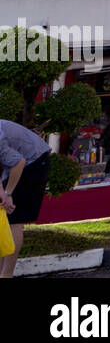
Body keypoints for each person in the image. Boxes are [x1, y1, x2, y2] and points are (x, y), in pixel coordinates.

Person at [0, 119, 53, 279]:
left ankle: (7, 274)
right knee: (3, 216)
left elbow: (19, 162)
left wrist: (8, 194)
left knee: (14, 218)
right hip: (16, 165)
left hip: (34, 163)